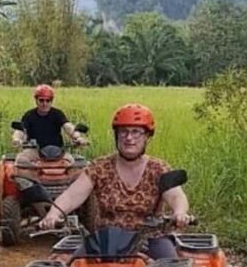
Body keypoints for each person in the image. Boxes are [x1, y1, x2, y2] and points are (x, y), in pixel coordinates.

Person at [39, 104, 190, 258]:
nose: (129, 138)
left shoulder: (159, 168)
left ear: (147, 137)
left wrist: (179, 213)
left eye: (136, 132)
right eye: (123, 132)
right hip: (105, 240)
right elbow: (72, 195)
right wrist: (54, 213)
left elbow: (175, 195)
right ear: (116, 135)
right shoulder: (99, 167)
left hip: (151, 238)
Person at [13, 84, 88, 162]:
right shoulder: (29, 115)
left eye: (48, 100)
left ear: (51, 101)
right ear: (36, 100)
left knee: (72, 164)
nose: (44, 104)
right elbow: (20, 130)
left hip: (58, 152)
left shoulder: (57, 114)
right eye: (41, 100)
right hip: (35, 151)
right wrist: (17, 139)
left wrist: (77, 137)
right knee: (21, 161)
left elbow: (67, 126)